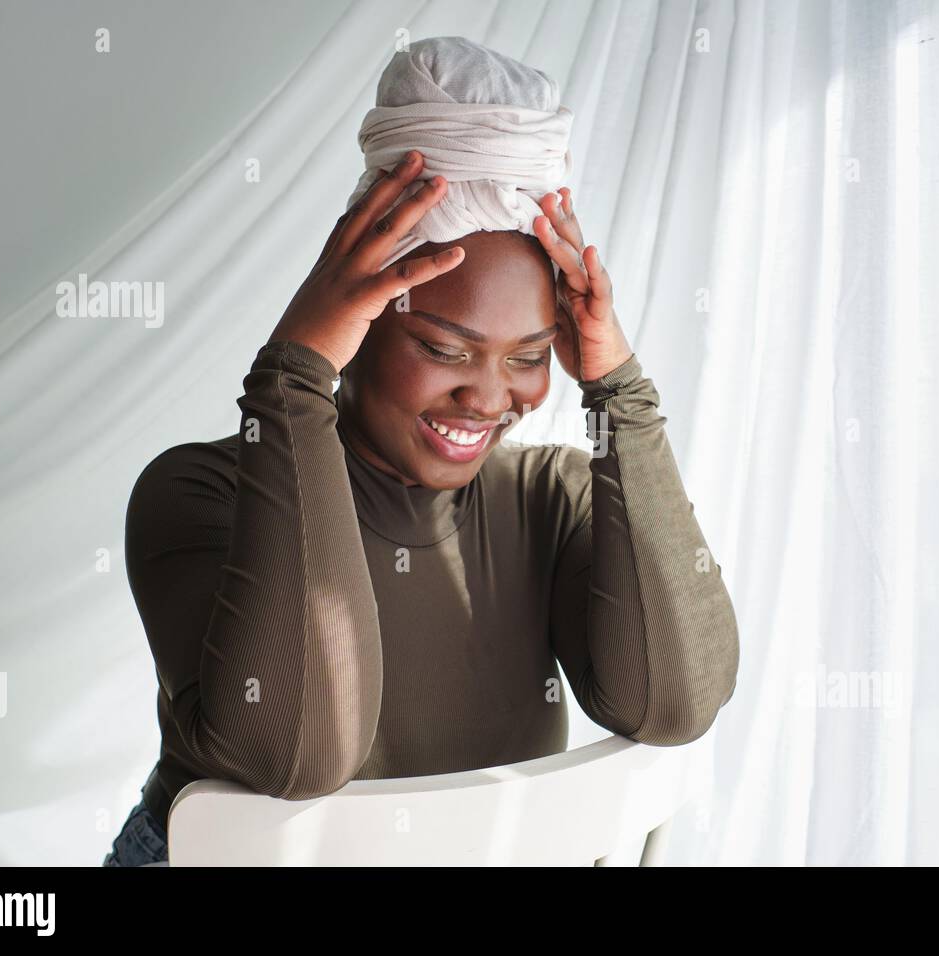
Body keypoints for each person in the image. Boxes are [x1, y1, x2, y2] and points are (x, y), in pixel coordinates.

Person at [104, 36, 738, 867]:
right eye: (444, 349)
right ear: (355, 321)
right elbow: (298, 752)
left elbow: (676, 701)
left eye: (529, 354)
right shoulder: (197, 492)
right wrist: (293, 378)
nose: (487, 397)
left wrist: (620, 391)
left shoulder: (554, 498)